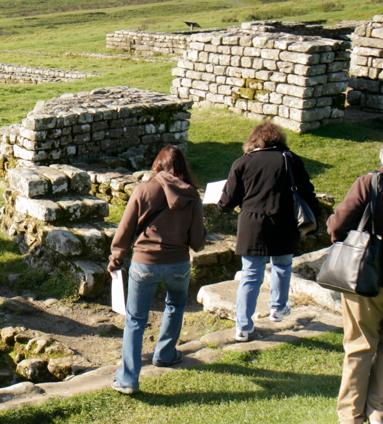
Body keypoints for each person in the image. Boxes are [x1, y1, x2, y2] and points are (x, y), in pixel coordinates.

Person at [107, 145, 206, 395]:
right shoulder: (192, 196)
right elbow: (197, 243)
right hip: (179, 264)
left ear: (157, 166)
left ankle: (128, 379)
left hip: (145, 264)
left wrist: (116, 258)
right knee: (175, 305)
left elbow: (125, 230)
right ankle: (165, 354)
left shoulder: (143, 190)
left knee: (136, 320)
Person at [218, 121, 319, 342]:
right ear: (279, 139)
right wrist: (317, 217)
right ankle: (278, 308)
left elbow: (226, 201)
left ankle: (243, 326)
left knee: (250, 275)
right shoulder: (291, 160)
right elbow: (307, 192)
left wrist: (220, 204)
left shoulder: (242, 163)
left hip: (252, 224)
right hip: (284, 222)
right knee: (282, 266)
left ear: (254, 140)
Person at [328, 146, 383, 424]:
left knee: (359, 346)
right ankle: (378, 412)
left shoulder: (369, 182)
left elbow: (337, 225)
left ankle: (351, 415)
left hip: (366, 276)